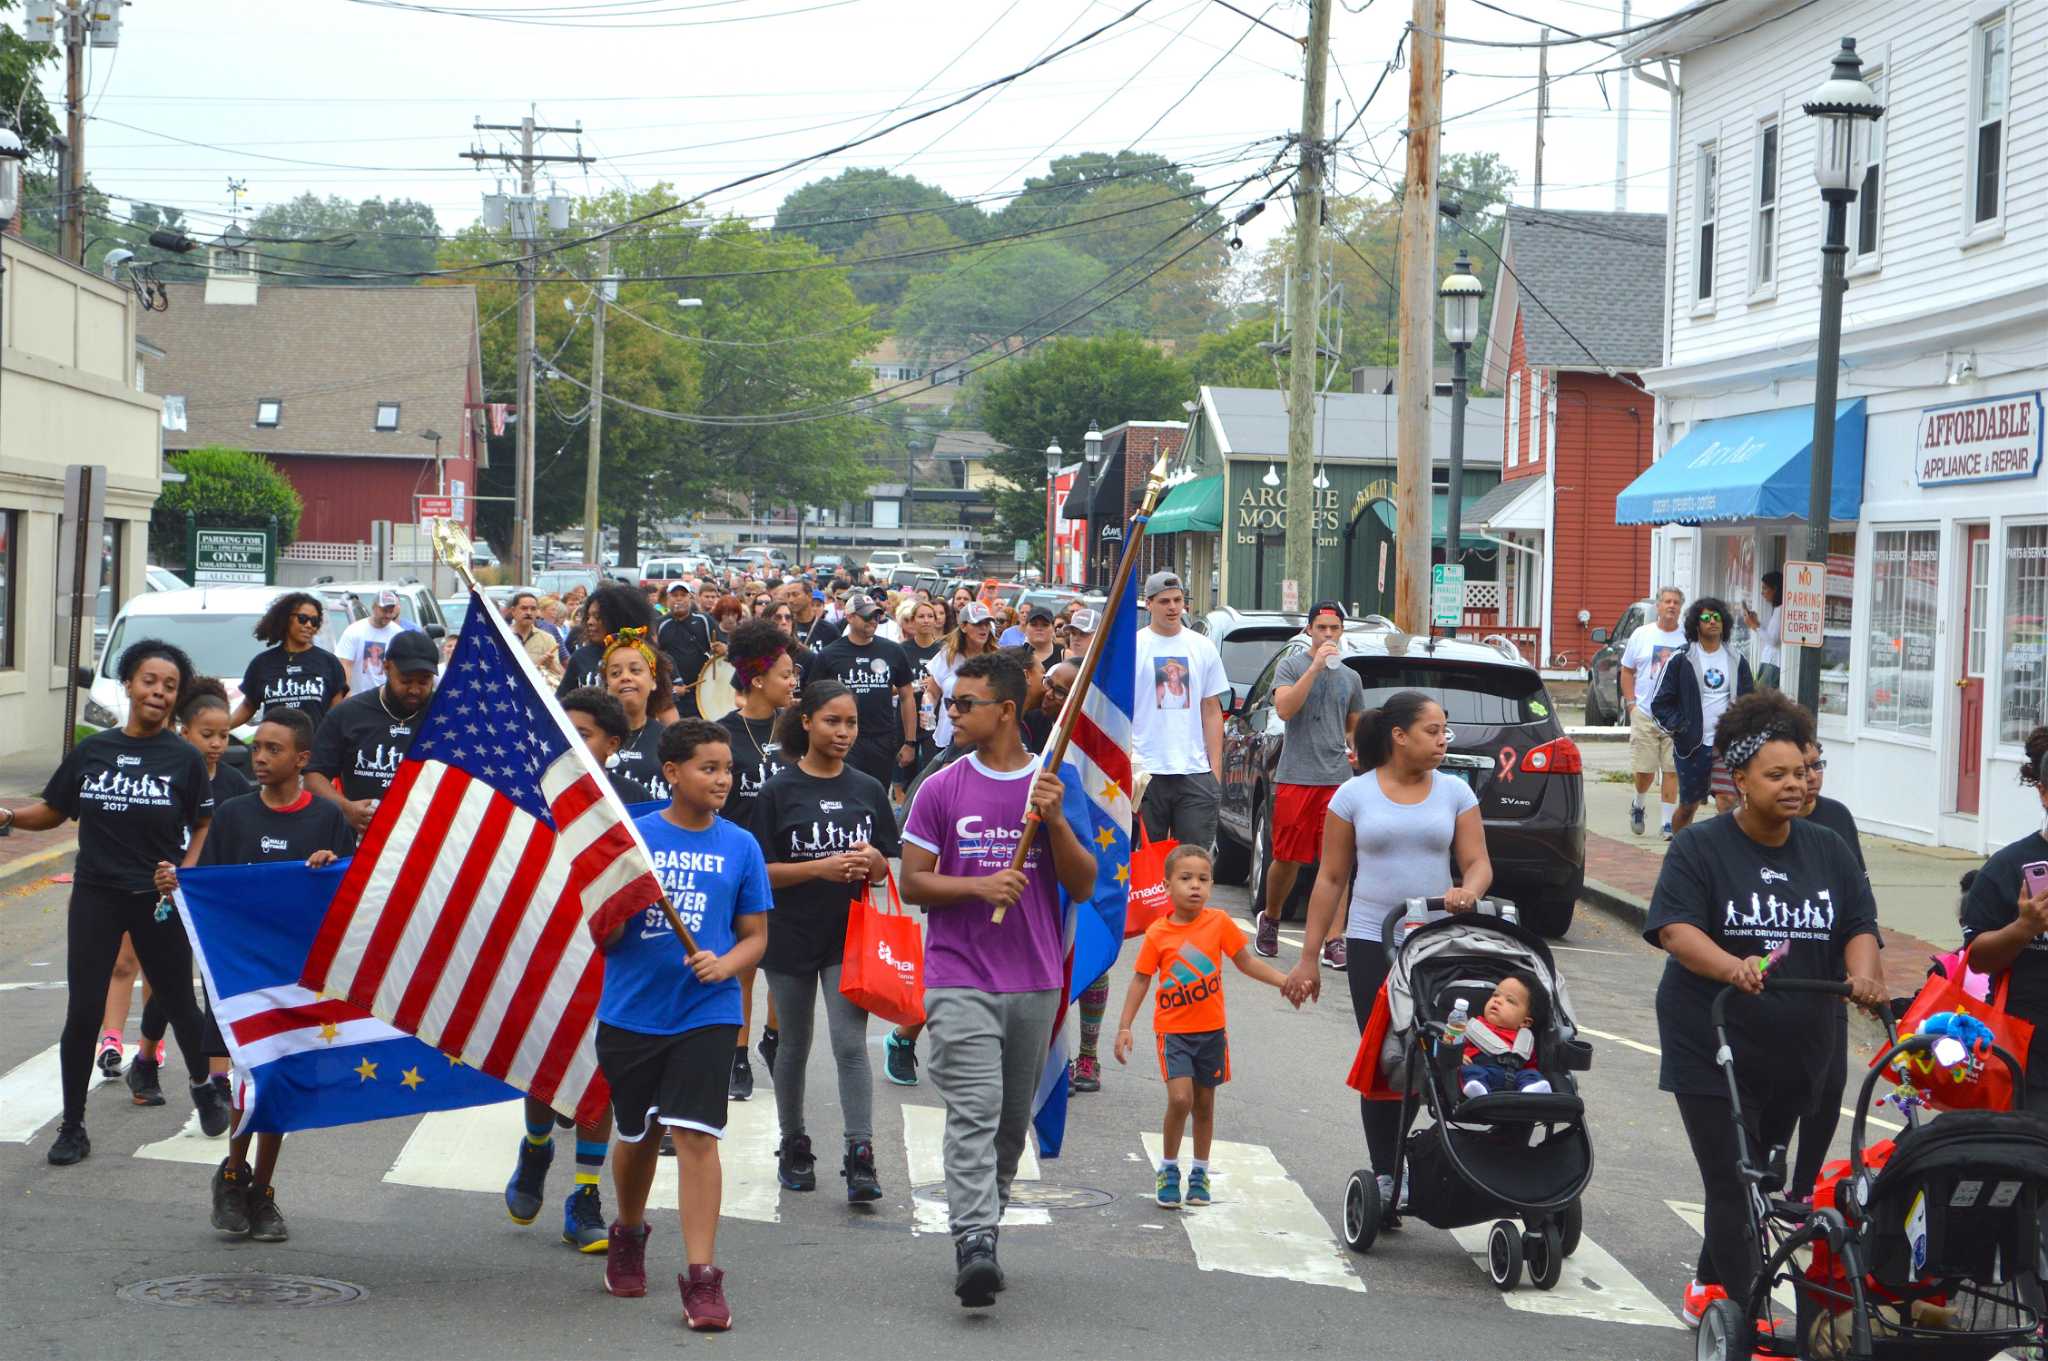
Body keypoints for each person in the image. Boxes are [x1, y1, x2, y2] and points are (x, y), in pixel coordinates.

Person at [1642, 691, 1883, 1329]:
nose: (1795, 786)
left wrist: (1862, 975)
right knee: (1730, 1176)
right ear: (1740, 779)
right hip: (1711, 1035)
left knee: (1760, 1177)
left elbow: (1859, 923)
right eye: (1776, 775)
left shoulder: (1828, 848)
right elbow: (1674, 930)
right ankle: (1749, 1313)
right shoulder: (1700, 849)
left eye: (1801, 773)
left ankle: (1707, 1280)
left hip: (1796, 1044)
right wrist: (1732, 965)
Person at [900, 652, 1097, 1307]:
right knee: (974, 1112)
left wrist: (1059, 819)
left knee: (1011, 1125)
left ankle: (988, 1222)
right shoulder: (942, 786)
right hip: (959, 977)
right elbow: (913, 880)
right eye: (951, 702)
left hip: (1035, 980)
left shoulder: (1053, 782)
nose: (950, 713)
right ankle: (974, 1239)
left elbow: (1085, 883)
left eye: (965, 703)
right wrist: (977, 884)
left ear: (1006, 710)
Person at [1, 641, 230, 1166]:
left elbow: (203, 822)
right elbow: (53, 811)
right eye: (150, 680)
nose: (159, 692)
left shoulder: (185, 759)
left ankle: (201, 1083)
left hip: (157, 899)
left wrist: (187, 870)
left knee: (177, 1002)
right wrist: (9, 819)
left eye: (169, 686)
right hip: (96, 897)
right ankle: (73, 1126)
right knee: (82, 1013)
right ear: (128, 684)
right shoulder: (93, 751)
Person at [591, 720, 770, 1332]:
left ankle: (701, 1277)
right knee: (638, 1135)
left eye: (727, 769)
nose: (723, 779)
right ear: (672, 773)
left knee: (696, 1137)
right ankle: (630, 1231)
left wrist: (725, 965)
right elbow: (605, 936)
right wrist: (621, 908)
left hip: (708, 1012)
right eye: (708, 768)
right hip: (632, 1012)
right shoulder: (632, 842)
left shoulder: (741, 846)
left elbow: (756, 938)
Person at [152, 706, 353, 1243]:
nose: (259, 757)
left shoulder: (326, 819)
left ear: (302, 759)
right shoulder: (236, 814)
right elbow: (210, 885)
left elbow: (349, 891)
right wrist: (179, 882)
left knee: (279, 1082)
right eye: (257, 747)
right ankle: (234, 1173)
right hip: (241, 973)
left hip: (295, 975)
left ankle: (262, 1191)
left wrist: (330, 864)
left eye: (273, 749)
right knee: (246, 1079)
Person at [1285, 692, 1491, 1208]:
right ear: (1399, 736)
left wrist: (1471, 889)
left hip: (1439, 945)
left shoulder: (1456, 794)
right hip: (1373, 940)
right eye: (1433, 731)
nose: (1444, 740)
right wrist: (1310, 956)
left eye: (1446, 730)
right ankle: (1385, 1174)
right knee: (1386, 1060)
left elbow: (1478, 862)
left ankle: (1435, 1158)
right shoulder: (1353, 796)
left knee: (1443, 1052)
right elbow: (1331, 878)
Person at [753, 681, 898, 1201]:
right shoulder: (778, 791)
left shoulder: (867, 788)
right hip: (789, 935)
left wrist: (871, 862)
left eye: (851, 723)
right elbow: (761, 873)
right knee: (793, 1044)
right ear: (807, 721)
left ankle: (861, 1154)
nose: (843, 733)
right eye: (832, 721)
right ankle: (793, 1143)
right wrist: (822, 867)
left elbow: (885, 861)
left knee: (848, 1044)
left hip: (849, 936)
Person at [502, 688, 631, 1253]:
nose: (574, 746)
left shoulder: (626, 805)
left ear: (612, 745)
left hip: (607, 952)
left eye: (586, 736)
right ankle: (535, 1148)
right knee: (543, 1065)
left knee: (598, 1078)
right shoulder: (534, 797)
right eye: (566, 734)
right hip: (543, 949)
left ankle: (584, 1195)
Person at [1113, 843, 1293, 1208]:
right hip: (1173, 1033)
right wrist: (1125, 1026)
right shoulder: (1158, 933)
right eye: (1185, 878)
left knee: (1205, 1105)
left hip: (1211, 1031)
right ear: (1166, 886)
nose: (1195, 886)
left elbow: (1245, 962)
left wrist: (1283, 981)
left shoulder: (1219, 923)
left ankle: (1199, 1172)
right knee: (1181, 1099)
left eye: (1203, 879)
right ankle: (1168, 1168)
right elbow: (1141, 980)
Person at [103, 683, 253, 1098]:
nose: (218, 744)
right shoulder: (162, 774)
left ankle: (218, 1078)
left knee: (215, 986)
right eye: (208, 735)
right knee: (173, 987)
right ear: (184, 731)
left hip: (215, 902)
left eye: (224, 736)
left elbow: (247, 836)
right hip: (162, 896)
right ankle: (146, 1058)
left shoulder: (236, 785)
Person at [1254, 601, 1364, 964]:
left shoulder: (1351, 678)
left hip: (1336, 779)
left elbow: (1352, 726)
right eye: (1321, 628)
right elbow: (1285, 709)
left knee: (1338, 863)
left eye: (1334, 629)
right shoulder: (1291, 665)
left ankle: (1335, 938)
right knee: (1287, 858)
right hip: (1297, 775)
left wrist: (1356, 748)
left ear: (1342, 632)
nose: (1328, 635)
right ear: (1309, 630)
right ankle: (1271, 917)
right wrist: (1316, 667)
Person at [1789, 737, 1873, 1201]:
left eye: (1816, 765)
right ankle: (1764, 1170)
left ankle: (1803, 1189)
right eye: (1800, 768)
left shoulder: (1837, 819)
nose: (1810, 777)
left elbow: (1860, 905)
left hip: (1825, 978)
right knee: (1781, 1086)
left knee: (1830, 1081)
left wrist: (1866, 971)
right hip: (1772, 982)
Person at [717, 619, 796, 1099]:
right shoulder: (723, 733)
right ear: (759, 679)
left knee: (785, 968)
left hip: (791, 867)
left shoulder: (800, 729)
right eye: (786, 674)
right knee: (744, 967)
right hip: (743, 870)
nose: (793, 683)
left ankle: (773, 1039)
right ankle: (736, 1056)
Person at [1962, 726, 2048, 1117]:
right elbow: (1976, 957)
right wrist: (2023, 928)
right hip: (2028, 1063)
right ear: (2044, 794)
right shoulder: (2008, 867)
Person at [306, 628, 439, 836]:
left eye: (423, 682)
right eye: (405, 681)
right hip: (362, 840)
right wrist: (346, 808)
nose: (414, 689)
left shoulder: (446, 718)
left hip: (426, 838)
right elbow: (314, 775)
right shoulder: (348, 714)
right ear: (386, 668)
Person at [1132, 572, 1229, 855]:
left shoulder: (1202, 646)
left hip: (1195, 771)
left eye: (1178, 600)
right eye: (1164, 601)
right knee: (1146, 864)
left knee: (1194, 860)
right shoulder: (1134, 647)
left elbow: (1211, 710)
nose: (1173, 607)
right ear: (1148, 603)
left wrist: (1215, 771)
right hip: (1145, 770)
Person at [1652, 596, 1754, 833]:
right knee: (1689, 806)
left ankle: (1723, 855)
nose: (1712, 622)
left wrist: (1746, 731)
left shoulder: (1736, 659)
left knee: (1728, 801)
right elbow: (1660, 704)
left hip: (1727, 745)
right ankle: (1680, 850)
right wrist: (1680, 727)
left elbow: (1750, 701)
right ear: (1696, 624)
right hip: (1693, 745)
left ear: (1725, 622)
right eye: (1706, 618)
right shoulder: (1681, 659)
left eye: (1717, 617)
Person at [811, 597, 916, 797]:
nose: (873, 621)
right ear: (850, 617)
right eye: (867, 616)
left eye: (876, 615)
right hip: (843, 739)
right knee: (845, 795)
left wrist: (910, 742)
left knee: (876, 796)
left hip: (882, 738)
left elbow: (907, 696)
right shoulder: (829, 655)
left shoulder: (893, 651)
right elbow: (815, 701)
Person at [228, 592, 348, 731]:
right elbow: (248, 706)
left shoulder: (328, 662)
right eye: (303, 619)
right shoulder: (262, 663)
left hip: (314, 749)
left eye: (314, 621)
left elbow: (336, 714)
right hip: (274, 747)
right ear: (285, 619)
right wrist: (221, 729)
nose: (309, 625)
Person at [1621, 587, 1687, 840]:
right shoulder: (1642, 635)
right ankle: (1638, 803)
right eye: (1667, 602)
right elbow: (1627, 670)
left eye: (1676, 602)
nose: (1671, 606)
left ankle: (1667, 823)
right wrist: (1631, 705)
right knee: (1645, 770)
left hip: (1676, 717)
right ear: (1658, 606)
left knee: (1672, 770)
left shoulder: (1687, 639)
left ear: (1680, 608)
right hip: (1646, 712)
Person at [1457, 974, 1553, 1099]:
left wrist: (1531, 1074)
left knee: (1531, 1074)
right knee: (1469, 1071)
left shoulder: (1525, 1039)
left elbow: (1530, 1064)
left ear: (1525, 1022)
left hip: (1516, 1078)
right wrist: (1459, 1056)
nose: (1497, 1000)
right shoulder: (1472, 1026)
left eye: (1510, 1000)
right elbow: (1452, 1042)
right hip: (1482, 1070)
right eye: (1495, 995)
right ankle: (1478, 1089)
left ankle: (1531, 1089)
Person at [604, 628, 672, 800]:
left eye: (635, 670)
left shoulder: (670, 740)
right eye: (615, 673)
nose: (625, 677)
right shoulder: (592, 739)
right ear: (606, 685)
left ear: (653, 682)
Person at [560, 584, 658, 696]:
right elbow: (560, 704)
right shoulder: (580, 657)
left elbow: (666, 707)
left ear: (619, 618)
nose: (590, 622)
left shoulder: (650, 655)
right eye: (588, 617)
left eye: (598, 617)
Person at [925, 602, 998, 752]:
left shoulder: (996, 659)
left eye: (987, 623)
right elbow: (932, 692)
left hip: (982, 741)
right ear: (963, 626)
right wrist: (927, 709)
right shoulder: (948, 656)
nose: (984, 628)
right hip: (948, 738)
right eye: (978, 623)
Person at [562, 686, 652, 803]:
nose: (570, 742)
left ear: (612, 744)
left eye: (582, 736)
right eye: (564, 733)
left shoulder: (635, 795)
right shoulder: (543, 789)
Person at [658, 582, 717, 720]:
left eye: (683, 595)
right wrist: (671, 687)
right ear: (668, 599)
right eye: (675, 595)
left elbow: (721, 649)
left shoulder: (704, 620)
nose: (679, 599)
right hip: (673, 694)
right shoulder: (660, 624)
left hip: (702, 690)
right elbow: (654, 659)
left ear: (690, 598)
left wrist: (721, 647)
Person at [336, 590, 407, 691]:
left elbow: (402, 668)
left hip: (385, 698)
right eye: (384, 611)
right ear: (374, 607)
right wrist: (346, 693)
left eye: (390, 611)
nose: (387, 615)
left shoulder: (399, 635)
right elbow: (345, 665)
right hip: (357, 697)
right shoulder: (354, 631)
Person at [508, 590, 564, 685]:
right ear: (513, 611)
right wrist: (536, 665)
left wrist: (551, 665)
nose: (529, 613)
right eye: (524, 608)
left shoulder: (548, 639)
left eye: (533, 609)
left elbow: (559, 677)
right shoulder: (503, 637)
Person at [1743, 572, 1784, 691]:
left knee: (1762, 700)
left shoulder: (1781, 610)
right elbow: (1772, 635)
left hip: (1773, 663)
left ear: (1775, 589)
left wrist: (1755, 626)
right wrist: (1756, 624)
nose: (1762, 592)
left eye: (1765, 588)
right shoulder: (1777, 609)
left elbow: (1774, 641)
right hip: (1769, 661)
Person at [1019, 605, 1064, 673]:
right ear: (1025, 628)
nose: (1039, 628)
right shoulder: (1016, 656)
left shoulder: (1064, 655)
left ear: (1053, 628)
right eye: (1034, 624)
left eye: (1045, 625)